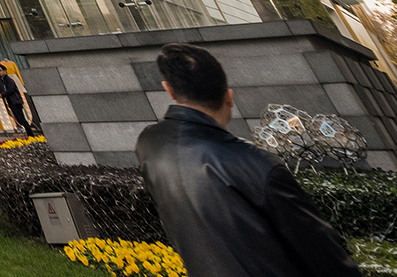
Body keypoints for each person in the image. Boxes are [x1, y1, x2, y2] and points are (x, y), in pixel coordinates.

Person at [135, 42, 360, 277]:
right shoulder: (255, 163)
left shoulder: (149, 143)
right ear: (229, 97)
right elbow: (324, 254)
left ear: (169, 90)